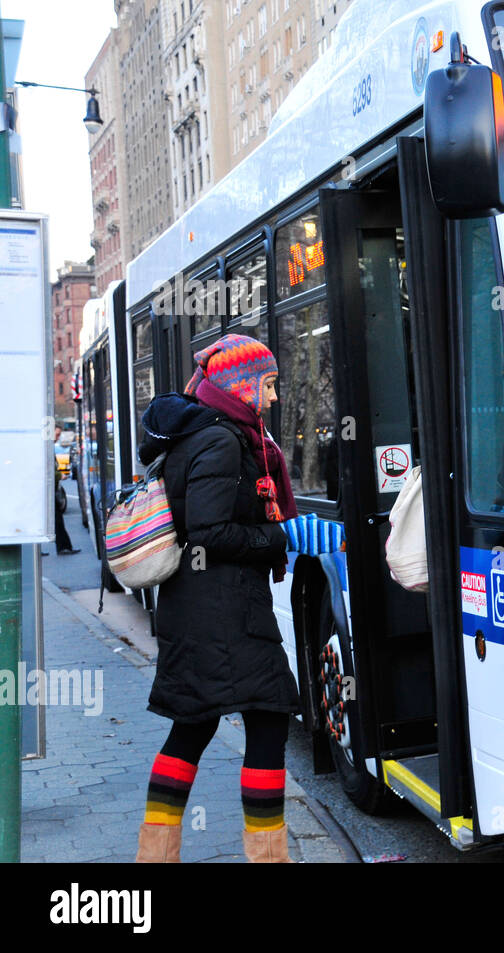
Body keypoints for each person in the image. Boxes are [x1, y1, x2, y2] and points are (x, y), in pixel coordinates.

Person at [132, 333, 301, 863]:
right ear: (242, 385)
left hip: (198, 610)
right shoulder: (223, 441)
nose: (272, 399)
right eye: (268, 385)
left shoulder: (203, 432)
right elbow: (208, 532)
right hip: (225, 615)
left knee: (193, 728)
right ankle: (268, 859)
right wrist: (279, 538)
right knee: (270, 720)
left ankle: (155, 857)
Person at [52, 427, 79, 555]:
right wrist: (59, 475)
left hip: (52, 490)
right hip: (49, 491)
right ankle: (63, 547)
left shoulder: (49, 448)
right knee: (57, 520)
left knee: (58, 520)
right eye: (56, 435)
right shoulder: (46, 448)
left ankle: (64, 546)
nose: (58, 438)